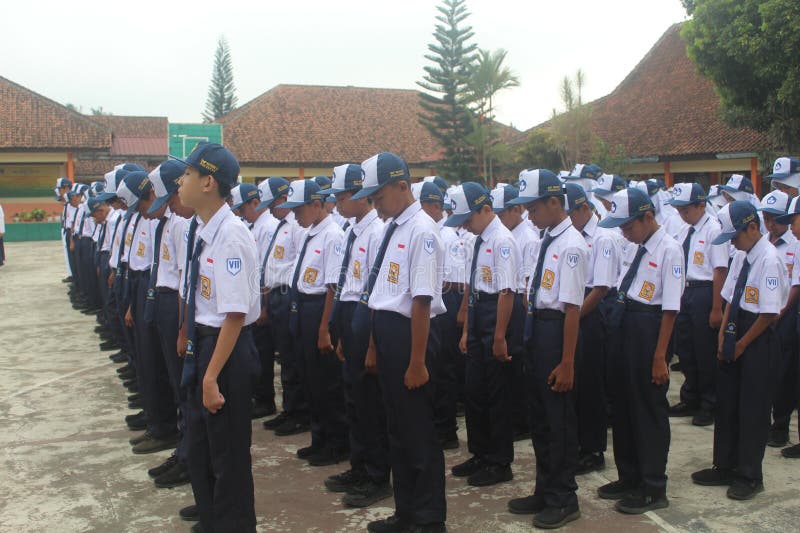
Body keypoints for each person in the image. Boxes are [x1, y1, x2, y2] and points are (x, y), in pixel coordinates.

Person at [350, 152, 447, 533]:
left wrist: (417, 361)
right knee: (397, 430)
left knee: (418, 432)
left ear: (402, 186)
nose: (375, 204)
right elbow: (381, 292)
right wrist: (374, 344)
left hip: (412, 338)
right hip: (388, 334)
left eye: (378, 197)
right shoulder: (390, 228)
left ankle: (429, 519)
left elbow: (421, 300)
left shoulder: (422, 230)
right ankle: (406, 513)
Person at [176, 141, 260, 532]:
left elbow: (235, 313)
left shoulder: (231, 236)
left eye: (189, 174)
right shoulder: (204, 227)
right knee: (201, 448)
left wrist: (210, 377)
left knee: (227, 456)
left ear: (208, 182)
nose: (181, 181)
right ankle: (213, 520)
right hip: (205, 343)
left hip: (224, 352)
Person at [503, 169, 586, 529]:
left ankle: (564, 497)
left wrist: (567, 362)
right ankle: (544, 488)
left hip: (556, 334)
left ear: (555, 202)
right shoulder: (546, 237)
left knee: (558, 422)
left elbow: (571, 308)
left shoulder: (571, 245)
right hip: (537, 329)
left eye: (533, 207)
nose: (528, 215)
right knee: (539, 419)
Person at [691, 201, 788, 500]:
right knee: (728, 404)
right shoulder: (741, 256)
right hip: (736, 328)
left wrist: (742, 344)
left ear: (753, 227)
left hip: (757, 336)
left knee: (753, 410)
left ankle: (749, 474)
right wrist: (723, 338)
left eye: (735, 236)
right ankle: (725, 465)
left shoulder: (769, 260)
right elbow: (731, 296)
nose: (732, 242)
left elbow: (769, 314)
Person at [597, 187, 684, 514]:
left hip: (649, 331)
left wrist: (660, 355)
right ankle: (629, 476)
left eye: (628, 225)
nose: (624, 232)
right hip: (625, 325)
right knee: (623, 407)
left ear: (648, 217)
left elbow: (671, 309)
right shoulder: (636, 245)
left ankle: (653, 486)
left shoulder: (670, 250)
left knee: (647, 411)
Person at [324, 162, 391, 507]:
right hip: (348, 313)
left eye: (340, 196)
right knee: (353, 398)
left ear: (357, 196)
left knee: (368, 401)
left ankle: (378, 475)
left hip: (366, 314)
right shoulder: (353, 231)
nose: (336, 203)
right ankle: (360, 465)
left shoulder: (378, 232)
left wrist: (368, 340)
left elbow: (374, 288)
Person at [444, 181, 519, 489]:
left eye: (468, 218)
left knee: (497, 394)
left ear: (485, 209)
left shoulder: (503, 240)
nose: (465, 225)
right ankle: (480, 452)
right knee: (474, 391)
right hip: (477, 313)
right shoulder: (478, 238)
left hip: (495, 316)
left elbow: (506, 291)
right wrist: (465, 328)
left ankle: (500, 461)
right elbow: (473, 283)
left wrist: (499, 336)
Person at [278, 178, 348, 466]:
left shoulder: (332, 235)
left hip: (320, 310)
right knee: (310, 379)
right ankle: (319, 437)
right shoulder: (311, 232)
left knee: (326, 384)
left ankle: (336, 443)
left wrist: (324, 328)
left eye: (298, 210)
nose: (294, 216)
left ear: (317, 204)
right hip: (302, 307)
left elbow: (333, 285)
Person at [142, 160, 193, 489]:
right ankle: (183, 449)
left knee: (184, 388)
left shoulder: (182, 226)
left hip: (177, 305)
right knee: (176, 387)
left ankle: (189, 455)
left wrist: (182, 327)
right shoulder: (171, 222)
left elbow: (185, 280)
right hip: (163, 299)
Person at [564, 183, 619, 475]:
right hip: (573, 309)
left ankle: (593, 449)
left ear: (584, 208)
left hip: (593, 312)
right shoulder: (567, 236)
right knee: (574, 385)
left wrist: (572, 316)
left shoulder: (603, 238)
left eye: (569, 212)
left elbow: (601, 287)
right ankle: (577, 444)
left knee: (590, 384)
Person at [667, 183, 729, 427]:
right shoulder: (685, 230)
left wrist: (716, 307)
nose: (683, 214)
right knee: (686, 348)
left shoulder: (714, 230)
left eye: (686, 209)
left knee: (705, 350)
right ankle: (690, 396)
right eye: (679, 209)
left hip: (705, 291)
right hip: (686, 290)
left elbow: (719, 270)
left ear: (701, 205)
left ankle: (709, 402)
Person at [258, 177, 311, 437]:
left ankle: (299, 412)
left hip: (289, 294)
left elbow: (298, 265)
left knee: (292, 358)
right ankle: (289, 409)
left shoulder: (298, 227)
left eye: (273, 204)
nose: (269, 210)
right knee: (285, 356)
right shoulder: (281, 226)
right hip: (275, 294)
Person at [417, 181, 461, 449]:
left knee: (444, 368)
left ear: (435, 206)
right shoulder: (429, 231)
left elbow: (456, 280)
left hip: (446, 301)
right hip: (432, 301)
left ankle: (446, 429)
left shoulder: (445, 235)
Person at [492, 184, 537, 442]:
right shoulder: (507, 234)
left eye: (502, 214)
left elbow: (527, 281)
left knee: (519, 363)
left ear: (516, 210)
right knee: (510, 366)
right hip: (509, 301)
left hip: (520, 304)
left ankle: (522, 420)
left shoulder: (526, 237)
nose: (499, 219)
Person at [231, 182, 279, 420]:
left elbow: (265, 268)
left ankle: (265, 399)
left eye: (242, 208)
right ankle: (260, 396)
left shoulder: (268, 227)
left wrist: (263, 305)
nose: (240, 213)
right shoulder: (253, 226)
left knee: (263, 353)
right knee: (259, 352)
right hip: (256, 294)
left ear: (255, 203)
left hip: (265, 295)